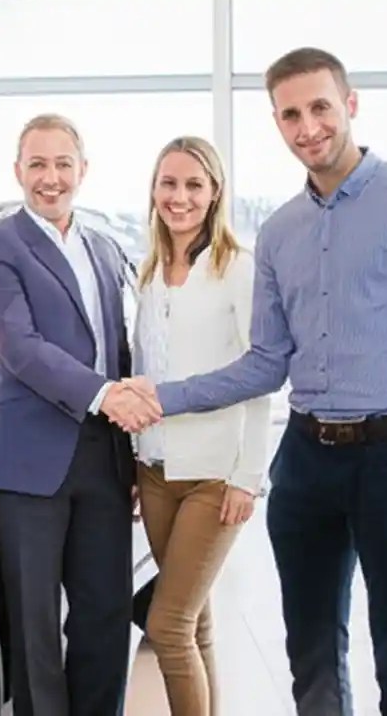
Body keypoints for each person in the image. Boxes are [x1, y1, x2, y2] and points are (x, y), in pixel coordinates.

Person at [126, 47, 387, 716]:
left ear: (349, 104)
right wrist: (160, 397)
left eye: (320, 107)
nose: (307, 126)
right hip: (307, 461)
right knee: (311, 652)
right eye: (291, 114)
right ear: (277, 122)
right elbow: (266, 361)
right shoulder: (282, 231)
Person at [0, 113, 154, 716]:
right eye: (38, 164)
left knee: (105, 613)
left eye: (62, 164)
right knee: (35, 622)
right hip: (29, 460)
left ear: (83, 170)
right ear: (18, 171)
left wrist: (130, 449)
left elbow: (118, 345)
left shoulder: (103, 246)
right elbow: (19, 348)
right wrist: (105, 394)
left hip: (103, 456)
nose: (51, 178)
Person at [131, 135, 271, 716]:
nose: (179, 196)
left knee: (166, 625)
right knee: (196, 622)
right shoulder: (149, 273)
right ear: (154, 190)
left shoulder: (238, 268)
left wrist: (249, 476)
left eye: (193, 184)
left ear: (215, 193)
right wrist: (135, 462)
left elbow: (261, 374)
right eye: (169, 183)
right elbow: (143, 371)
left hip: (214, 474)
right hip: (156, 470)